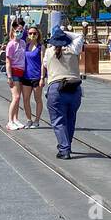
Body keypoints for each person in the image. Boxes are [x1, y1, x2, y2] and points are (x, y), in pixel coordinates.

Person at [43, 24, 85, 159]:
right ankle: (67, 145)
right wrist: (64, 33)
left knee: (58, 120)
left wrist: (58, 34)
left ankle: (64, 149)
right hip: (74, 87)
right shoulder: (74, 49)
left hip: (56, 89)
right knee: (70, 119)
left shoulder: (49, 52)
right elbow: (79, 36)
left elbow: (45, 65)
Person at [18, 25, 44, 128]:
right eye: (30, 33)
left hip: (36, 77)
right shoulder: (25, 46)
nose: (32, 35)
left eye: (34, 33)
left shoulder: (41, 47)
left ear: (38, 35)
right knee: (25, 99)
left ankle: (37, 120)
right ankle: (29, 120)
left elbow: (43, 63)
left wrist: (42, 77)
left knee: (38, 99)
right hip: (26, 76)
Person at [5, 24, 27, 128]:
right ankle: (10, 121)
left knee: (18, 98)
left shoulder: (23, 43)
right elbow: (8, 62)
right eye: (17, 31)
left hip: (22, 71)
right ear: (13, 32)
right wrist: (9, 77)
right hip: (14, 71)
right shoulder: (11, 45)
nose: (19, 33)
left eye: (21, 31)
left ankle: (15, 119)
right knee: (16, 97)